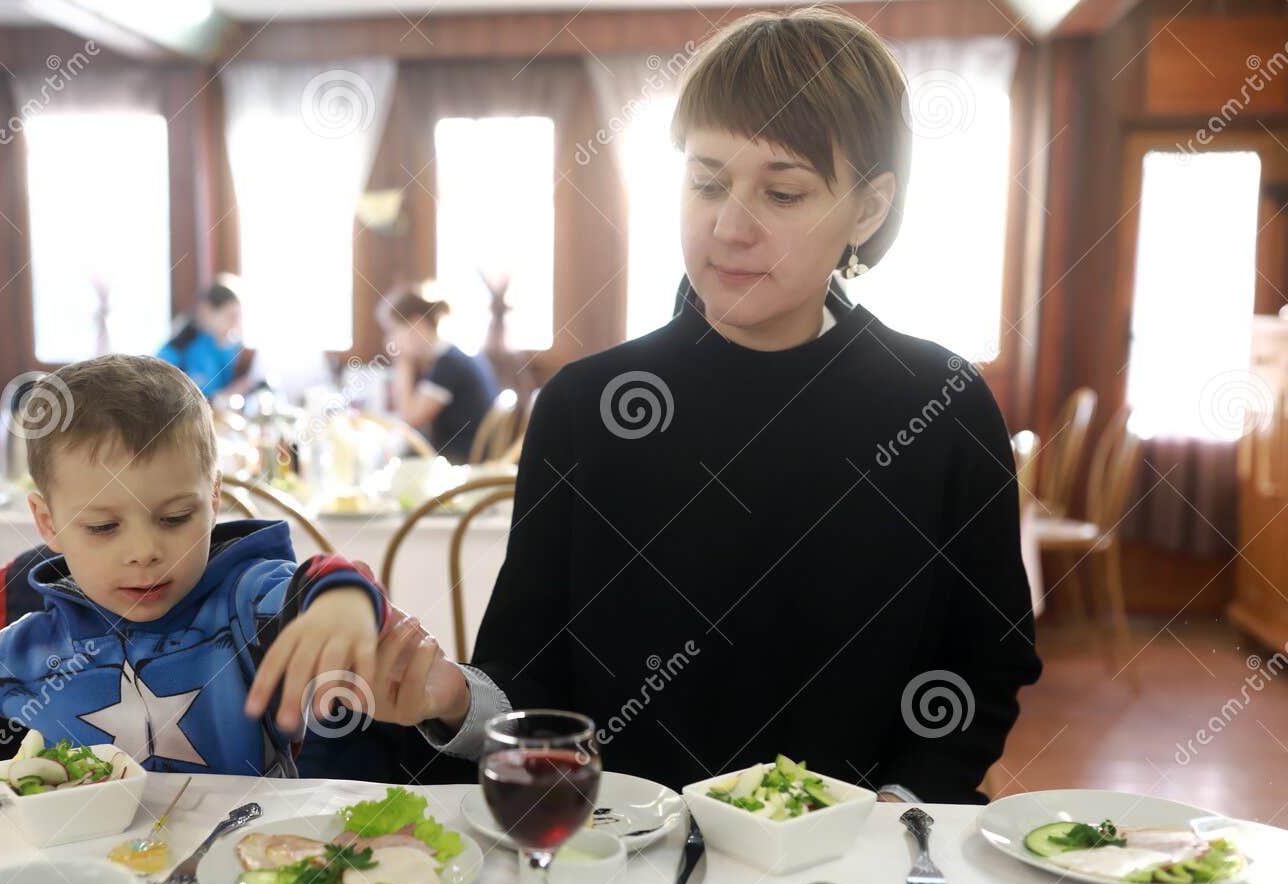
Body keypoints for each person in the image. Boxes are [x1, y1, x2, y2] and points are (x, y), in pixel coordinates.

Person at [360, 8, 1042, 804]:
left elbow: (986, 661)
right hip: (635, 861)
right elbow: (528, 681)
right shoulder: (587, 406)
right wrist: (449, 699)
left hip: (862, 864)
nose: (728, 227)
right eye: (706, 180)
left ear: (867, 208)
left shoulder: (942, 406)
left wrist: (905, 804)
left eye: (782, 192)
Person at [0, 354, 386, 775]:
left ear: (213, 499)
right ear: (47, 524)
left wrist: (343, 598)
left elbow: (310, 586)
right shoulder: (20, 652)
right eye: (103, 527)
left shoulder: (245, 604)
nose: (144, 551)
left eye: (176, 517)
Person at [379, 289, 496, 464]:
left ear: (415, 325)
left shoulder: (449, 364)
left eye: (393, 330)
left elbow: (410, 418)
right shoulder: (450, 356)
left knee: (392, 460)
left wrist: (403, 362)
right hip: (463, 453)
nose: (389, 342)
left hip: (461, 459)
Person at [157, 278, 250, 400]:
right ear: (207, 310)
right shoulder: (177, 349)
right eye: (230, 317)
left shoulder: (228, 349)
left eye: (237, 318)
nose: (235, 326)